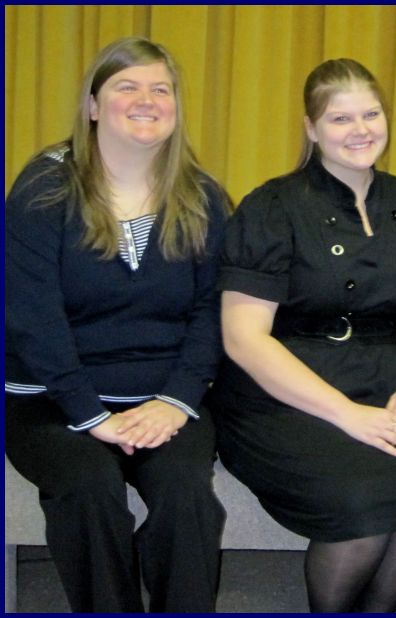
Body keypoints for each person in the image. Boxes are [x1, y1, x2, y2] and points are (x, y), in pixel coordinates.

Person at [209, 58, 396, 613]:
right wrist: (346, 414)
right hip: (285, 388)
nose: (360, 130)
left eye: (370, 114)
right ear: (311, 128)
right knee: (360, 514)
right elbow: (244, 338)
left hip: (389, 374)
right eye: (340, 119)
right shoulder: (273, 206)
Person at [5, 37, 230, 613]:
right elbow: (33, 318)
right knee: (89, 490)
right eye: (126, 86)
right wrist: (90, 414)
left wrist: (178, 401)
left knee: (188, 500)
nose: (146, 99)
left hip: (162, 394)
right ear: (94, 106)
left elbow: (213, 311)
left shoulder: (203, 197)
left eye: (161, 89)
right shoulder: (43, 190)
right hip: (53, 397)